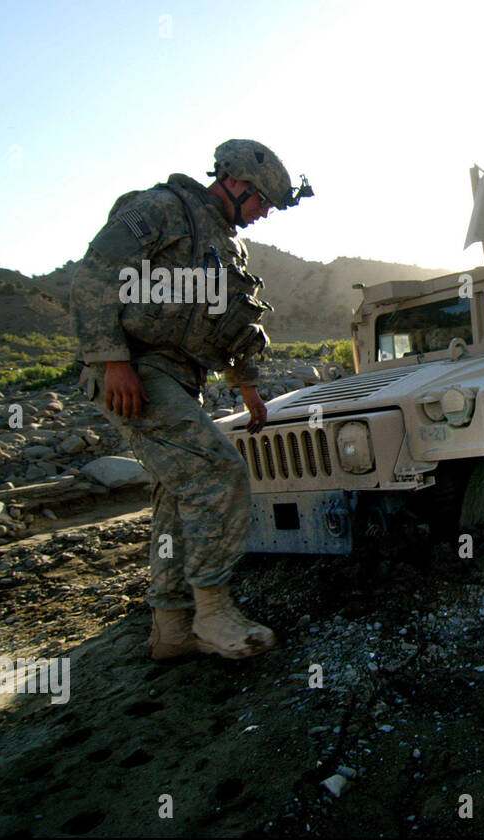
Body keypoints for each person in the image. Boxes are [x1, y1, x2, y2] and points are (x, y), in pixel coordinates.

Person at [69, 140, 312, 660]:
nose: (263, 214)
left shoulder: (228, 247)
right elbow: (96, 273)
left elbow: (236, 325)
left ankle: (173, 626)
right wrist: (113, 359)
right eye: (262, 202)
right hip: (136, 369)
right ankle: (214, 611)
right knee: (215, 474)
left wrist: (248, 386)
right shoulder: (161, 209)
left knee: (177, 494)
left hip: (181, 378)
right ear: (237, 183)